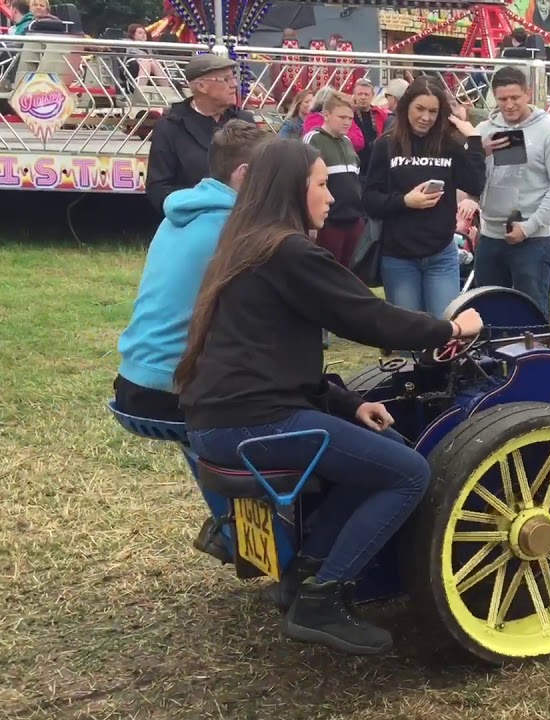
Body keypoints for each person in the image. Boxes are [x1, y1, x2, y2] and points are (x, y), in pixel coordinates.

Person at [176, 139, 484, 655]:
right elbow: (365, 315)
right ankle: (324, 598)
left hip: (218, 421)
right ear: (294, 190)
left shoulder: (245, 244)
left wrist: (347, 404)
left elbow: (272, 358)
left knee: (369, 459)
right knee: (408, 472)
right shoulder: (289, 250)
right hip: (254, 423)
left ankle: (301, 577)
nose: (331, 198)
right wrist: (448, 325)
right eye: (321, 184)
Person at [115, 120, 270, 422]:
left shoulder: (181, 212)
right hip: (170, 390)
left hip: (132, 377)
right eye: (270, 174)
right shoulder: (233, 229)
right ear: (246, 174)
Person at [364, 78, 486, 319]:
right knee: (407, 334)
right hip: (399, 257)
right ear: (406, 106)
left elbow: (475, 185)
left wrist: (473, 141)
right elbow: (369, 200)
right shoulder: (386, 145)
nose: (425, 117)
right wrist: (405, 202)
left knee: (445, 330)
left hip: (441, 253)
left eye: (433, 111)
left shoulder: (448, 146)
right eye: (420, 109)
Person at [475, 67, 550, 320]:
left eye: (515, 98)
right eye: (502, 99)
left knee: (532, 316)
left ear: (528, 94)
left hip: (532, 240)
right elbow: (470, 180)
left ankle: (535, 359)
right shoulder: (483, 130)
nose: (509, 105)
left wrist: (530, 227)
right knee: (487, 314)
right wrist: (478, 153)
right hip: (490, 237)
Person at [146, 55, 255, 213]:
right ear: (202, 86)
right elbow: (158, 188)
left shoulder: (244, 121)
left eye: (234, 77)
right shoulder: (172, 127)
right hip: (192, 218)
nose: (234, 84)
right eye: (226, 79)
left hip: (242, 218)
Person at [304, 92, 363, 268]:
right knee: (327, 271)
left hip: (353, 220)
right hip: (329, 223)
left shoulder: (347, 142)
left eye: (350, 118)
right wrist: (310, 224)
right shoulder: (313, 140)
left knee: (352, 274)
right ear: (326, 115)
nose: (347, 122)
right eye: (342, 117)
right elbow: (305, 183)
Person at [349, 78, 388, 184]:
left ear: (372, 95)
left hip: (375, 160)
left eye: (366, 94)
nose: (363, 97)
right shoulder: (348, 114)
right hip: (355, 161)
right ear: (354, 95)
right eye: (360, 94)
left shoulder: (380, 114)